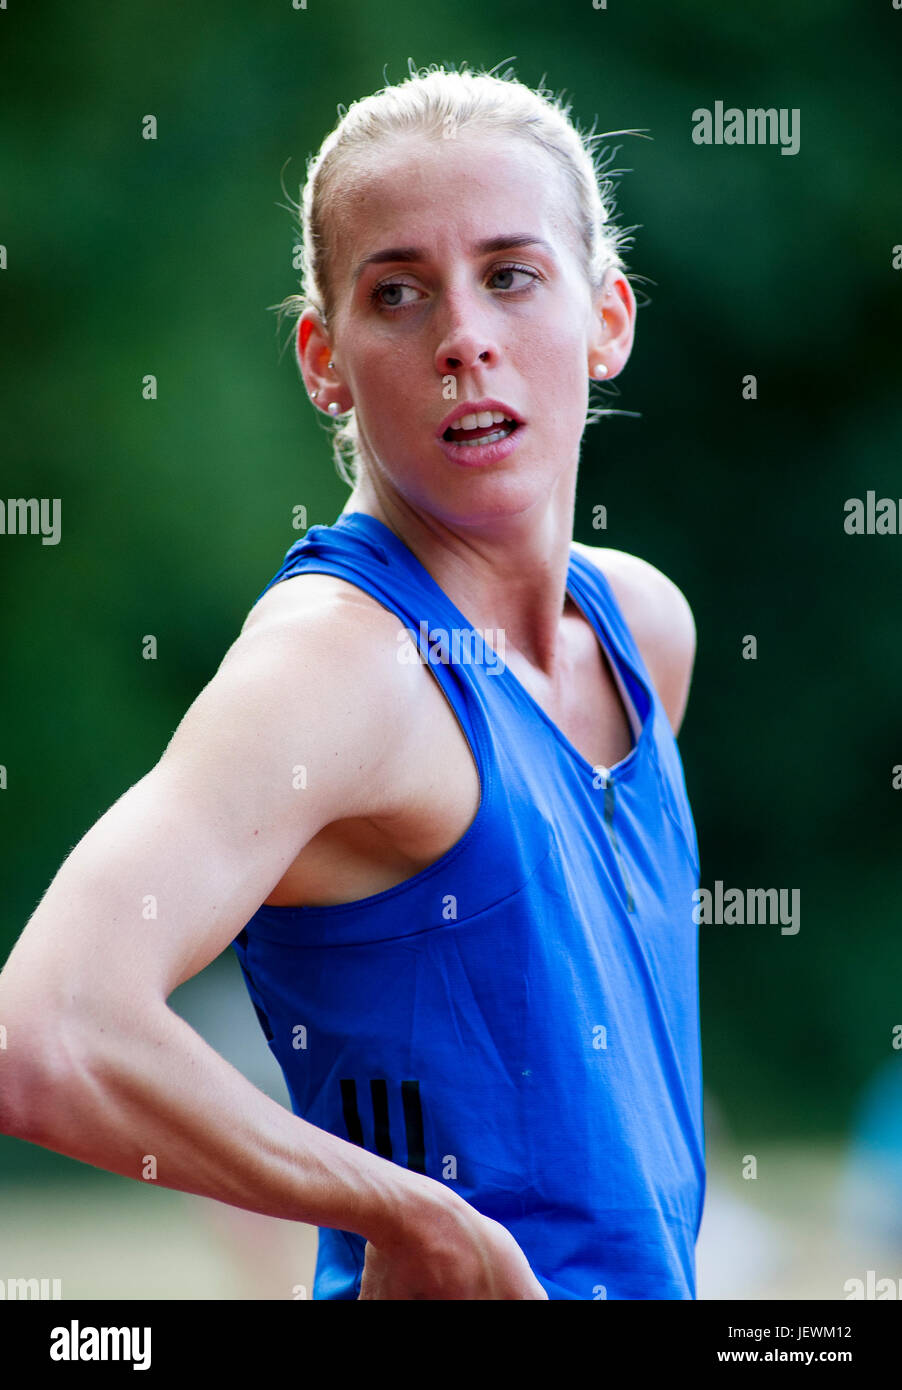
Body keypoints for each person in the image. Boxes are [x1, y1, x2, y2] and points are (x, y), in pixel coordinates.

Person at [0, 61, 704, 1300]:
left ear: (607, 319)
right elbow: (44, 1033)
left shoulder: (641, 629)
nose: (463, 338)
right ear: (324, 358)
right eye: (398, 293)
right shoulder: (337, 664)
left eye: (510, 275)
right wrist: (402, 1211)